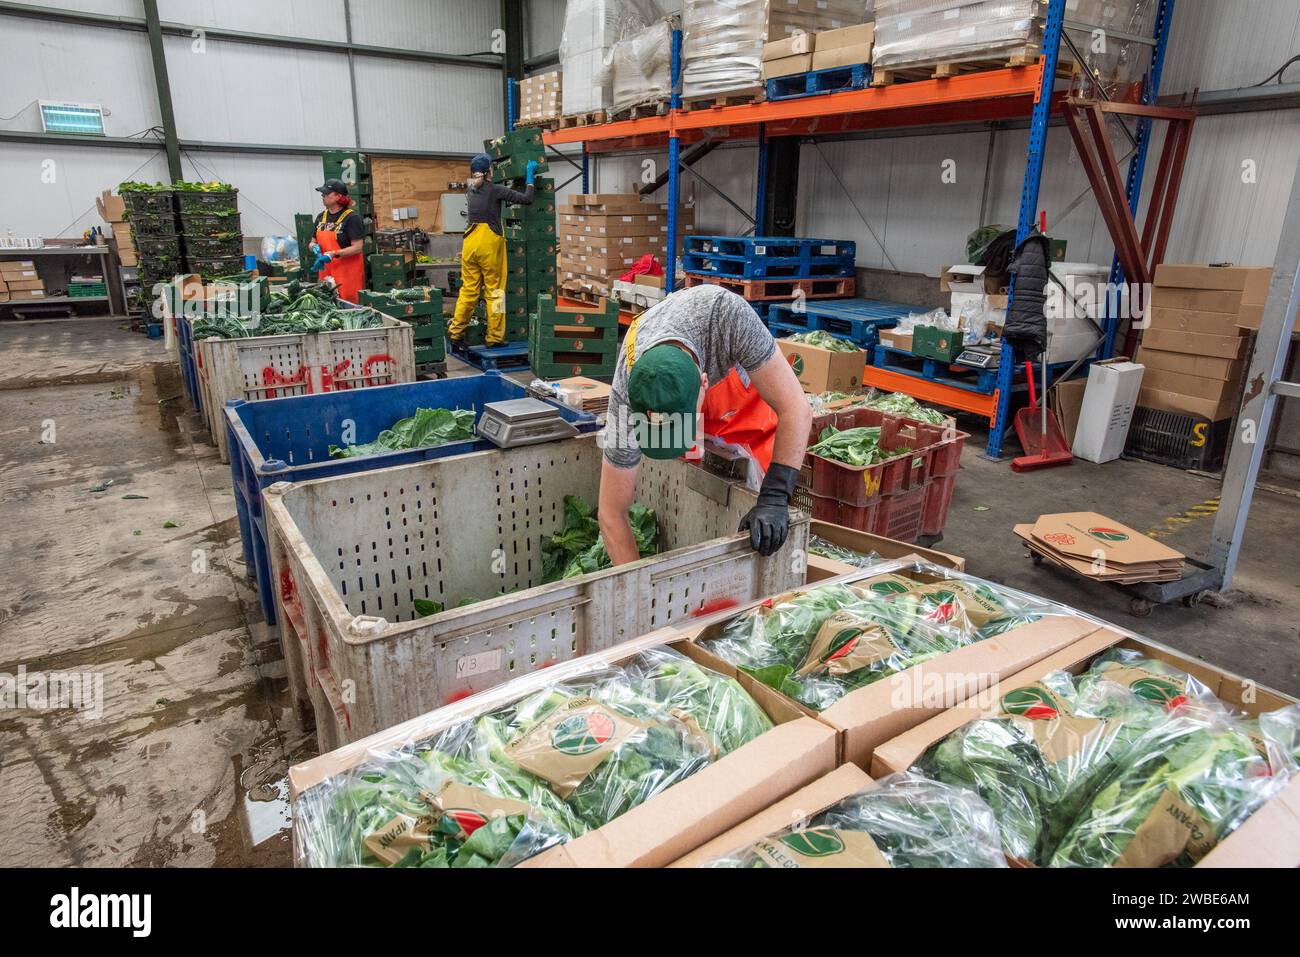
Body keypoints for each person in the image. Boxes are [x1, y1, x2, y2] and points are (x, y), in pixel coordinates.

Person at [599, 283, 813, 561]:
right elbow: (611, 513)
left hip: (746, 418)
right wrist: (640, 590)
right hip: (700, 415)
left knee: (767, 527)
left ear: (704, 383)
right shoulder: (626, 391)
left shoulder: (727, 315)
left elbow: (796, 408)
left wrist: (774, 496)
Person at [449, 152, 538, 347]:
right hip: (489, 244)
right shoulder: (495, 190)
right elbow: (527, 198)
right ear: (490, 171)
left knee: (468, 291)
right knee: (495, 291)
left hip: (470, 243)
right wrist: (530, 177)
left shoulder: (470, 190)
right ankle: (495, 337)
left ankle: (455, 332)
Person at [309, 178, 365, 303]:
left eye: (326, 194)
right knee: (327, 304)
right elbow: (312, 241)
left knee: (348, 305)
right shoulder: (320, 217)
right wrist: (314, 248)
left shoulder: (352, 218)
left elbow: (357, 247)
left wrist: (333, 254)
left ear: (338, 196)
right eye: (322, 194)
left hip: (347, 274)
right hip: (325, 272)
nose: (322, 196)